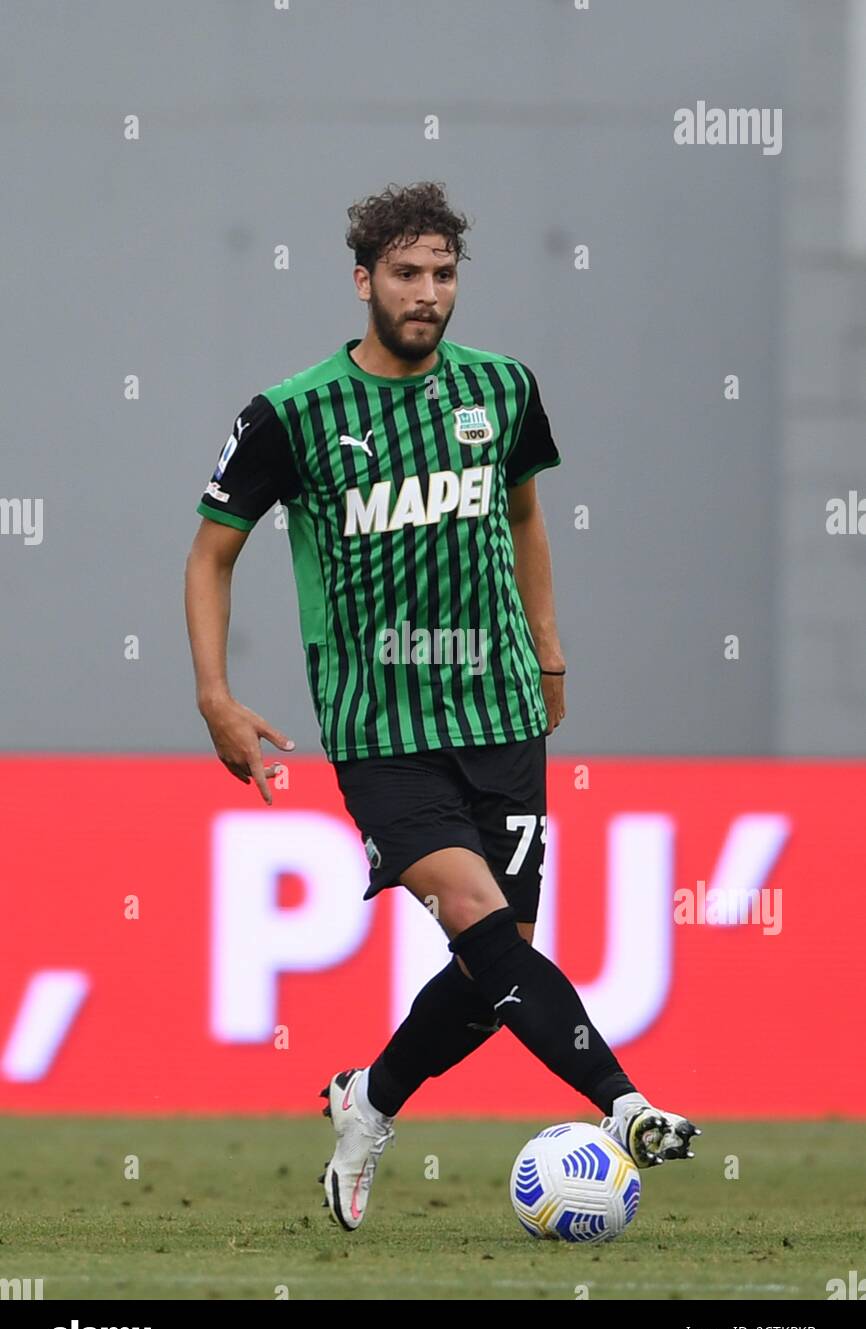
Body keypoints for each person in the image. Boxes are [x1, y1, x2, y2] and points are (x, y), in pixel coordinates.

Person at [184, 181, 701, 1233]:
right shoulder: (289, 413)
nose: (427, 295)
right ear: (363, 280)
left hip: (501, 710)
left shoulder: (503, 388)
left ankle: (367, 1099)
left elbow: (523, 514)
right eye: (407, 275)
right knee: (475, 918)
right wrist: (216, 698)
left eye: (443, 275)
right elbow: (211, 553)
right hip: (383, 731)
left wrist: (548, 648)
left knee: (491, 957)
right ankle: (627, 1106)